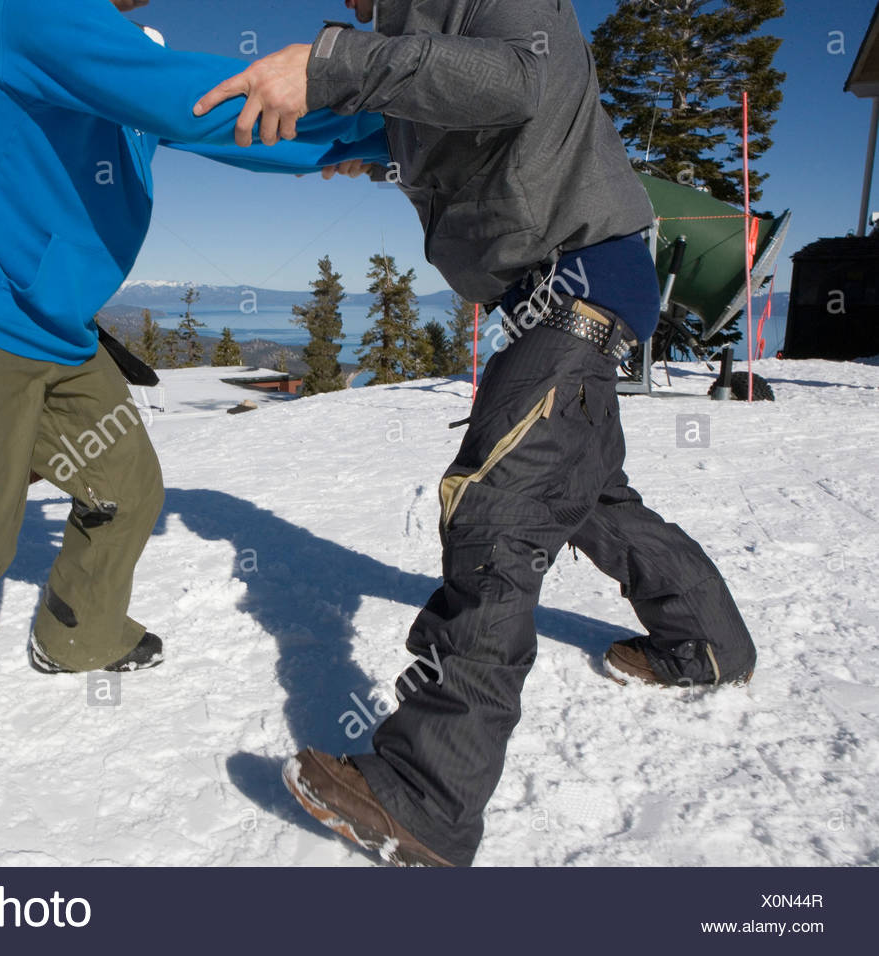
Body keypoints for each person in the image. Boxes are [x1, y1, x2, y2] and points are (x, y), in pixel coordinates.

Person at [0, 0, 388, 803]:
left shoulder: (126, 55)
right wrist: (390, 119)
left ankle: (77, 639)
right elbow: (183, 96)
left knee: (126, 488)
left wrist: (371, 144)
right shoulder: (33, 12)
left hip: (53, 329)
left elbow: (219, 124)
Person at [196, 0, 757, 866]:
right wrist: (378, 141)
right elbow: (447, 107)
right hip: (548, 299)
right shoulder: (402, 32)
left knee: (497, 515)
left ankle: (428, 793)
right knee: (586, 496)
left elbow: (516, 80)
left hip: (578, 280)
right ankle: (704, 642)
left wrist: (334, 63)